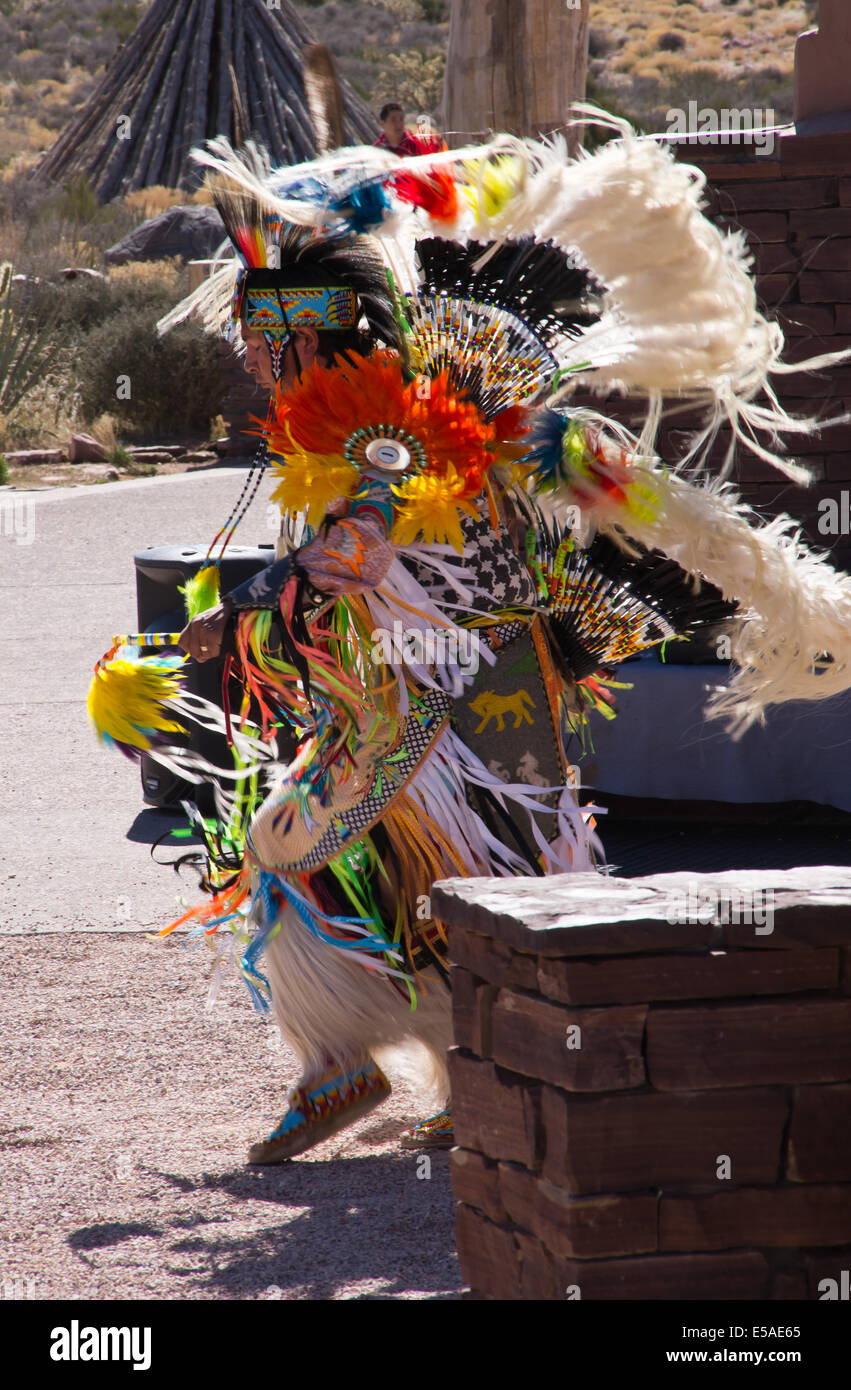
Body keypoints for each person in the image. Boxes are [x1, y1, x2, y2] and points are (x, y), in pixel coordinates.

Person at [98, 122, 851, 1168]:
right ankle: (387, 1064)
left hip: (459, 706)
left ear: (313, 338)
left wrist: (243, 613)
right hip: (431, 697)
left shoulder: (389, 433)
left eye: (269, 343)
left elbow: (356, 550)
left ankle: (435, 1066)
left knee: (341, 855)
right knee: (374, 868)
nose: (256, 363)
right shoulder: (359, 426)